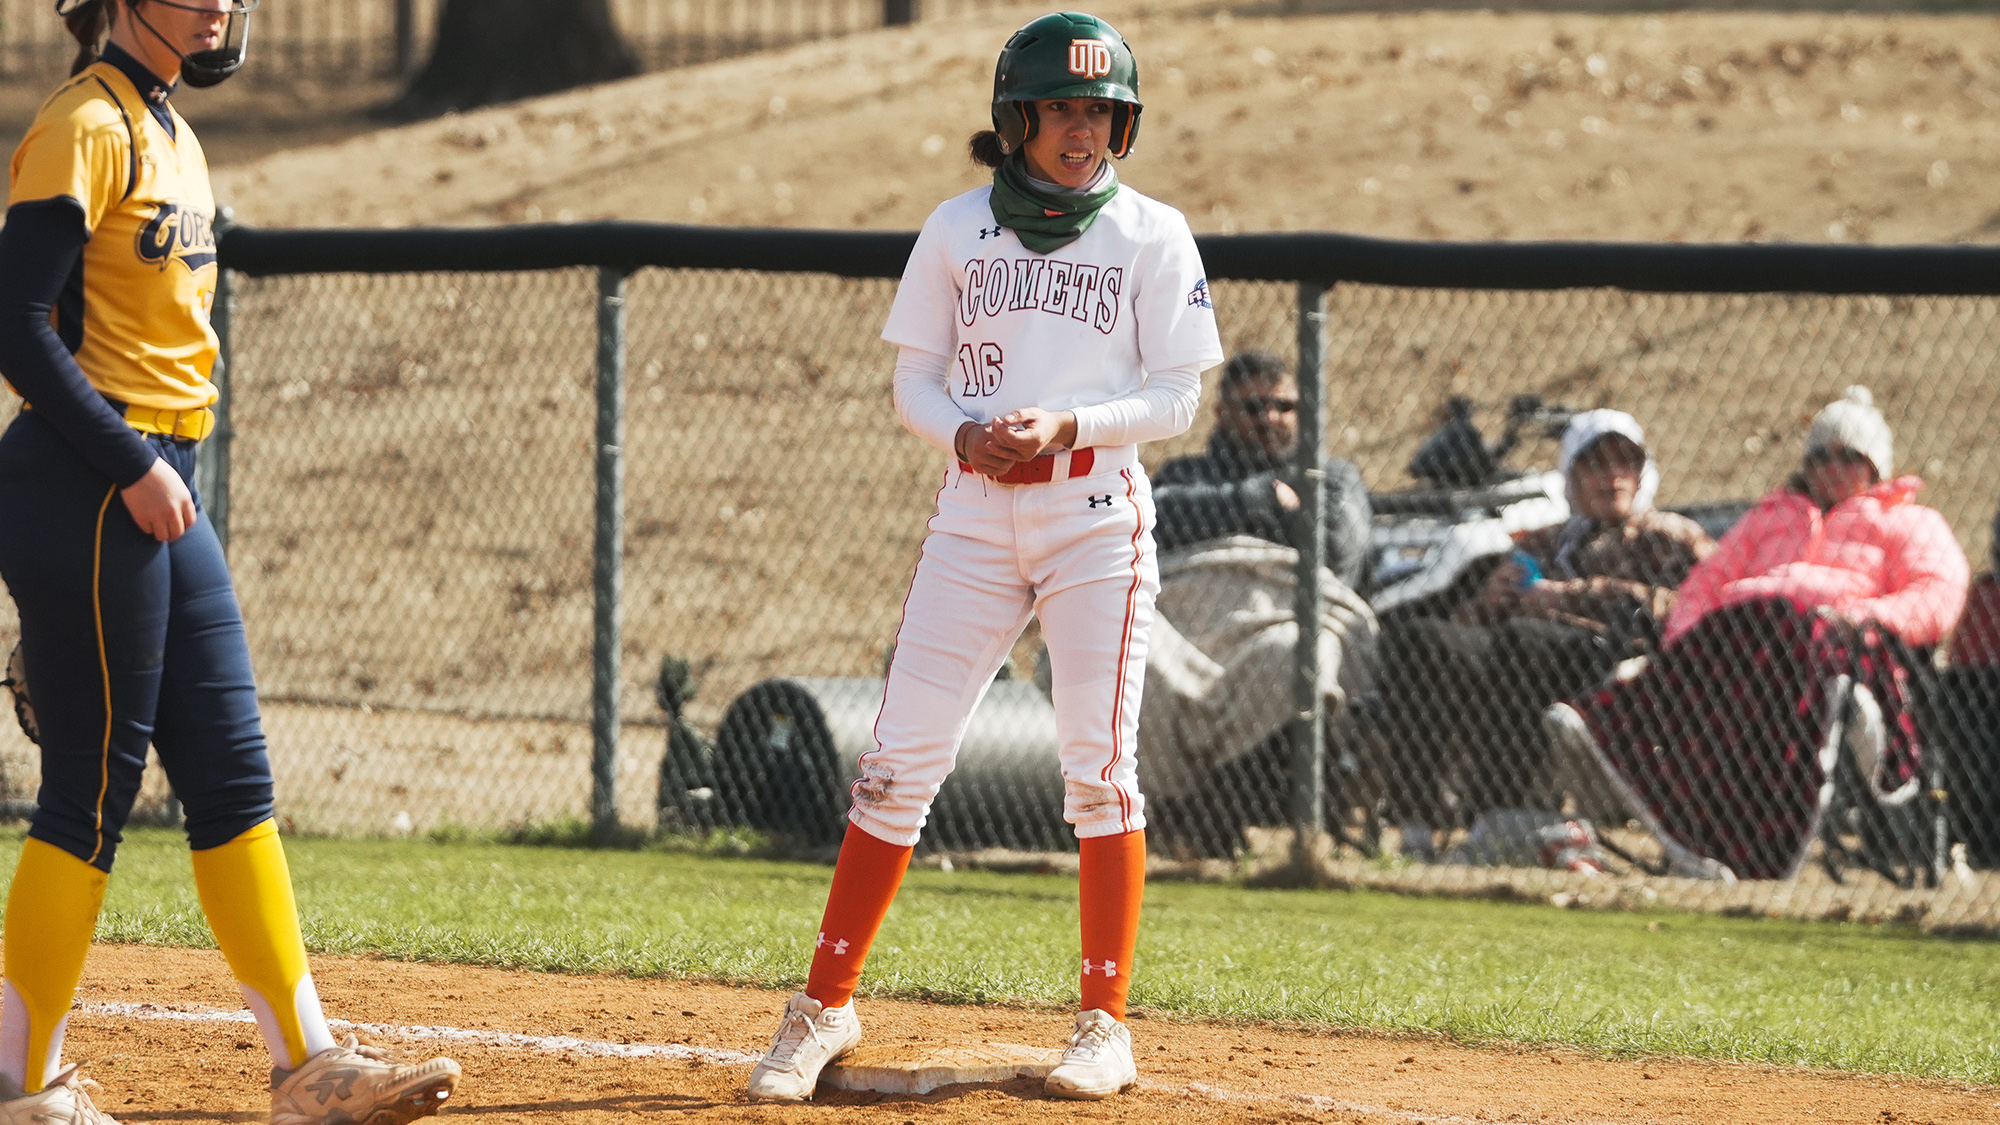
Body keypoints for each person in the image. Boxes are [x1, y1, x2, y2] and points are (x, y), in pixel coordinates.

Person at [744, 11, 1221, 1103]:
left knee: (1098, 771)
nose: (1078, 130)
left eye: (1098, 110)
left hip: (1096, 514)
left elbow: (1175, 398)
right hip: (971, 511)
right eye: (1059, 107)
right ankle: (822, 1005)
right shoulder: (958, 229)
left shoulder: (1151, 233)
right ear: (1016, 117)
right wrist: (961, 433)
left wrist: (1068, 425)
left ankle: (1104, 1024)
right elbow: (913, 383)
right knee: (895, 763)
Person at [0, 4, 460, 1123]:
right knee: (89, 797)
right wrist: (123, 467)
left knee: (233, 778)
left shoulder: (171, 130)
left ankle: (308, 1068)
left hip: (157, 484)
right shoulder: (86, 124)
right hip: (99, 481)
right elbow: (16, 325)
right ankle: (18, 1087)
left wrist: (153, 472)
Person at [1548, 387, 1970, 880]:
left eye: (1847, 456)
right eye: (1819, 456)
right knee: (1733, 638)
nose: (1831, 467)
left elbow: (1936, 595)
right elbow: (1704, 585)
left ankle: (1741, 844)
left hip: (1830, 637)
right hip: (1739, 639)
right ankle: (1606, 731)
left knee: (1791, 630)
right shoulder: (1771, 515)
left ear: (1874, 466)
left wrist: (1865, 616)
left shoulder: (1908, 522)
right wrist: (1686, 638)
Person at [1374, 410, 1712, 849]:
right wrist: (1488, 602)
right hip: (1519, 653)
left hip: (1612, 653)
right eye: (1596, 465)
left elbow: (1705, 604)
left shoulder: (1671, 536)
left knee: (1523, 641)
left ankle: (1497, 811)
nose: (1613, 477)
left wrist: (1570, 596)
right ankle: (1415, 820)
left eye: (1625, 464)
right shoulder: (1543, 540)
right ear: (1570, 477)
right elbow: (1473, 622)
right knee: (1423, 638)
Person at [1151, 350, 1372, 591]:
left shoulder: (1333, 476)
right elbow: (1149, 523)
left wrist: (1221, 516)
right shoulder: (1187, 474)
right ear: (1222, 413)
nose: (1270, 417)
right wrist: (1262, 499)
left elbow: (1339, 547)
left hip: (1304, 613)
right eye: (1254, 407)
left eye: (1284, 406)